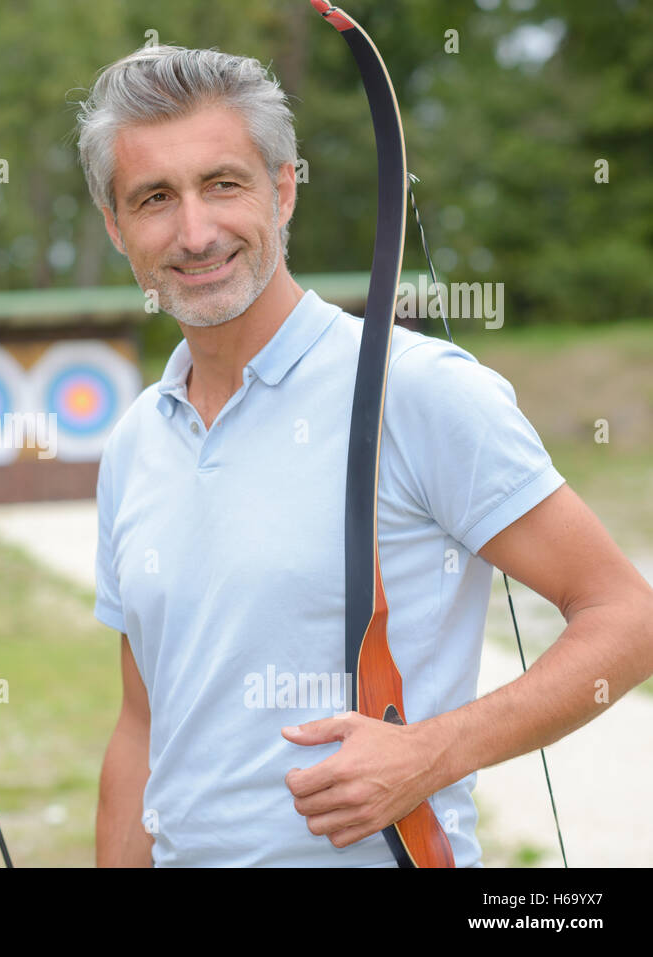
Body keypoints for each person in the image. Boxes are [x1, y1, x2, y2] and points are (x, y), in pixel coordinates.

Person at [76, 46, 653, 866]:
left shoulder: (416, 390)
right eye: (155, 198)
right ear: (116, 226)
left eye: (224, 183)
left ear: (283, 189)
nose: (195, 231)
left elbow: (626, 617)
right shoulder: (135, 439)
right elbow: (141, 726)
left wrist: (436, 750)